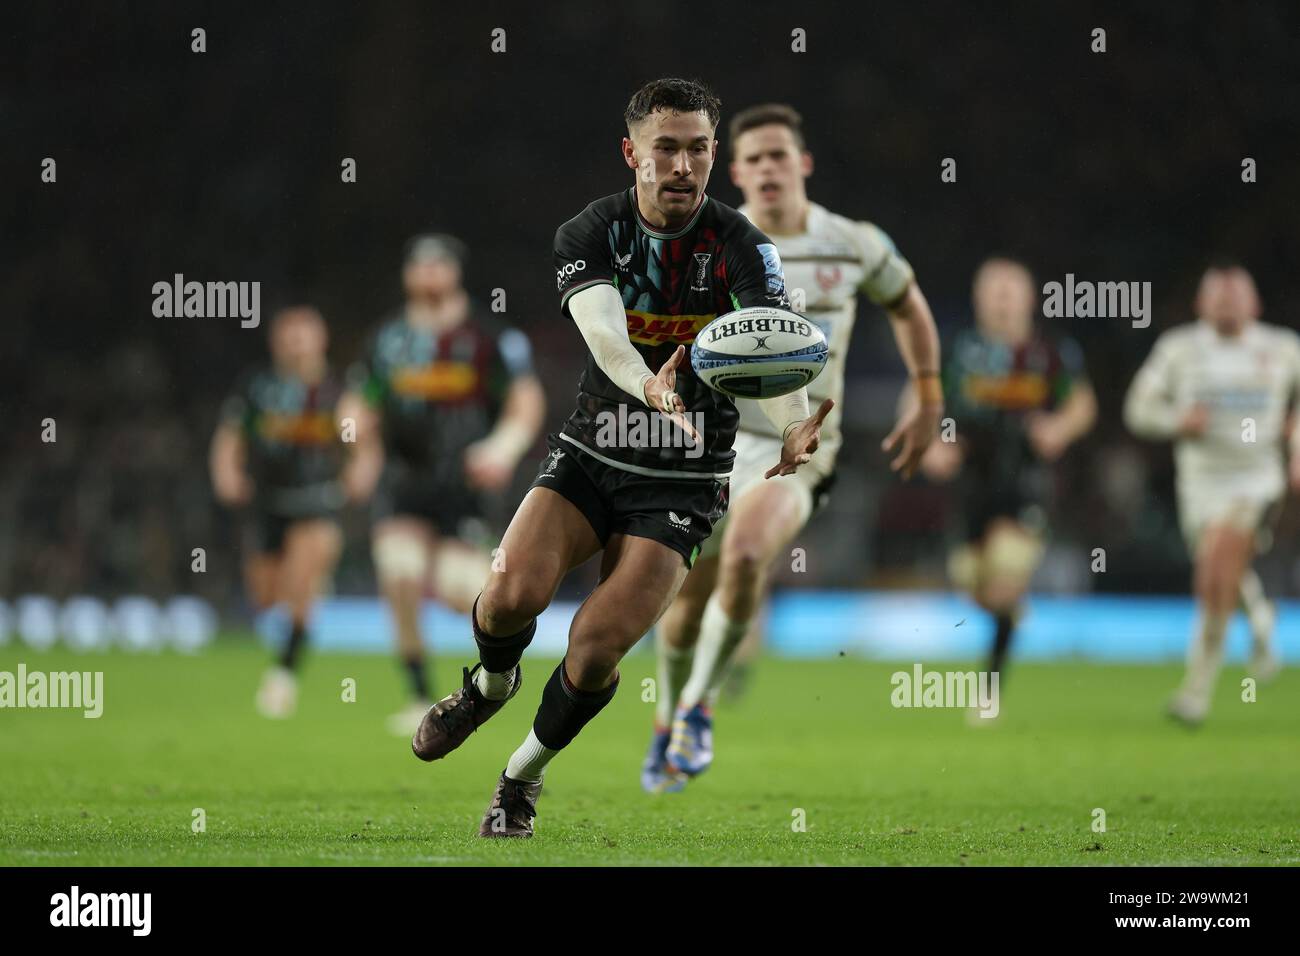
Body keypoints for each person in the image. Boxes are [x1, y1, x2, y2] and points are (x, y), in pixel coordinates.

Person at [409, 77, 830, 838]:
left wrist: (795, 422)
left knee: (596, 648)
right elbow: (603, 333)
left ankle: (519, 780)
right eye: (665, 148)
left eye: (697, 148)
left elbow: (773, 351)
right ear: (632, 152)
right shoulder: (591, 232)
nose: (682, 165)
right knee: (507, 592)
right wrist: (647, 384)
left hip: (686, 476)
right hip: (594, 453)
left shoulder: (744, 247)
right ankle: (489, 685)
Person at [642, 103, 943, 792]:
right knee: (683, 602)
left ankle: (698, 710)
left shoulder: (855, 242)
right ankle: (666, 714)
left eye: (780, 154)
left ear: (802, 163)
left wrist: (928, 393)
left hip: (799, 448)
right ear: (735, 171)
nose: (768, 167)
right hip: (707, 447)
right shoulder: (706, 243)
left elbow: (909, 305)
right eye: (754, 158)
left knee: (750, 551)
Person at [341, 234, 544, 735]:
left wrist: (503, 446)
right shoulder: (386, 339)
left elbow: (525, 401)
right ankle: (416, 693)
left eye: (439, 265)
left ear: (455, 272)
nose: (429, 273)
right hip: (404, 480)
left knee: (462, 594)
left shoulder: (488, 337)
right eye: (420, 265)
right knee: (399, 570)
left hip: (465, 486)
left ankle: (501, 672)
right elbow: (356, 400)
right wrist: (359, 448)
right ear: (408, 274)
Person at [1124, 262, 1297, 725]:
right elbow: (1137, 408)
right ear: (1201, 304)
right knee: (1220, 575)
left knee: (1215, 567)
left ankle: (1196, 692)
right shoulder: (1178, 349)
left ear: (1254, 303)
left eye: (1235, 295)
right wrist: (1178, 420)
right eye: (1216, 296)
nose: (1226, 302)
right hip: (1200, 486)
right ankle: (1260, 619)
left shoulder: (1282, 348)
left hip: (1257, 480)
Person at [921, 258, 1096, 712]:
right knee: (976, 589)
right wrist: (930, 444)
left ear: (1028, 298)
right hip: (969, 487)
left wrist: (1059, 428)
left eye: (1010, 290)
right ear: (978, 298)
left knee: (1004, 577)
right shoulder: (957, 350)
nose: (1001, 299)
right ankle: (1009, 610)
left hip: (1026, 483)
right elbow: (920, 395)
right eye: (992, 289)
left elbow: (1082, 403)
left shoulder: (1050, 353)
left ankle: (989, 690)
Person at [211, 305, 361, 717]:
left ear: (320, 340)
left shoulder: (338, 389)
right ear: (276, 342)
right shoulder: (257, 388)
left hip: (318, 500)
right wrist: (227, 472)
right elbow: (231, 434)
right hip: (268, 502)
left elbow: (363, 440)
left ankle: (282, 677)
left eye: (304, 335)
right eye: (288, 335)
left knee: (301, 586)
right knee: (265, 595)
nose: (296, 344)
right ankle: (304, 601)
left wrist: (359, 469)